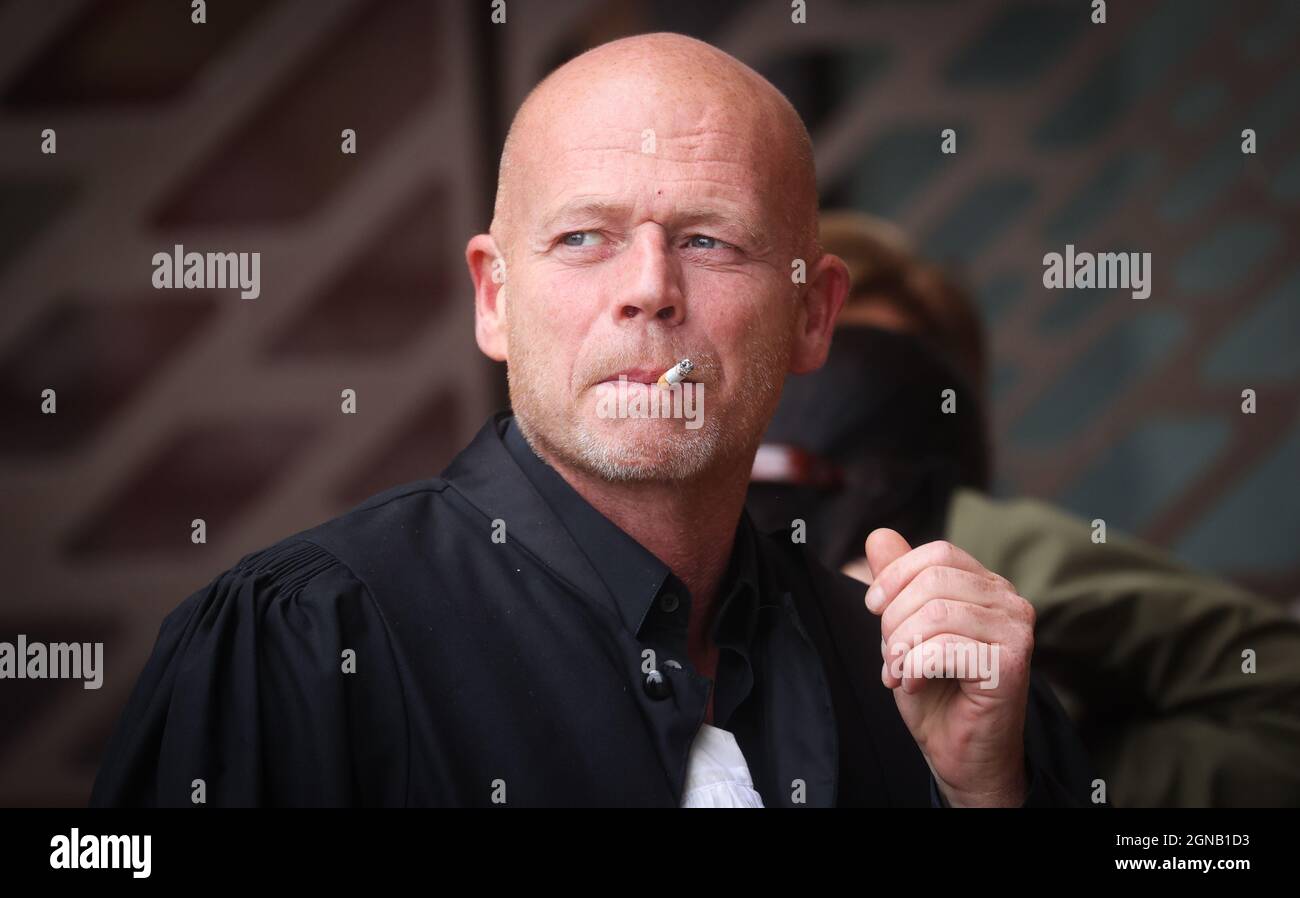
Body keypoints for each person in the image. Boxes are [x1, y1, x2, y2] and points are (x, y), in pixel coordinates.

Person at [89, 34, 1094, 808]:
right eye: (583, 237)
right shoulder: (299, 646)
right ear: (493, 298)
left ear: (812, 314)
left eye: (710, 239)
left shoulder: (911, 685)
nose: (649, 291)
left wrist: (986, 798)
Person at [747, 210, 1300, 807]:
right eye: (827, 361)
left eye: (890, 377)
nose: (850, 408)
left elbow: (1276, 704)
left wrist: (1040, 762)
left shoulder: (994, 546)